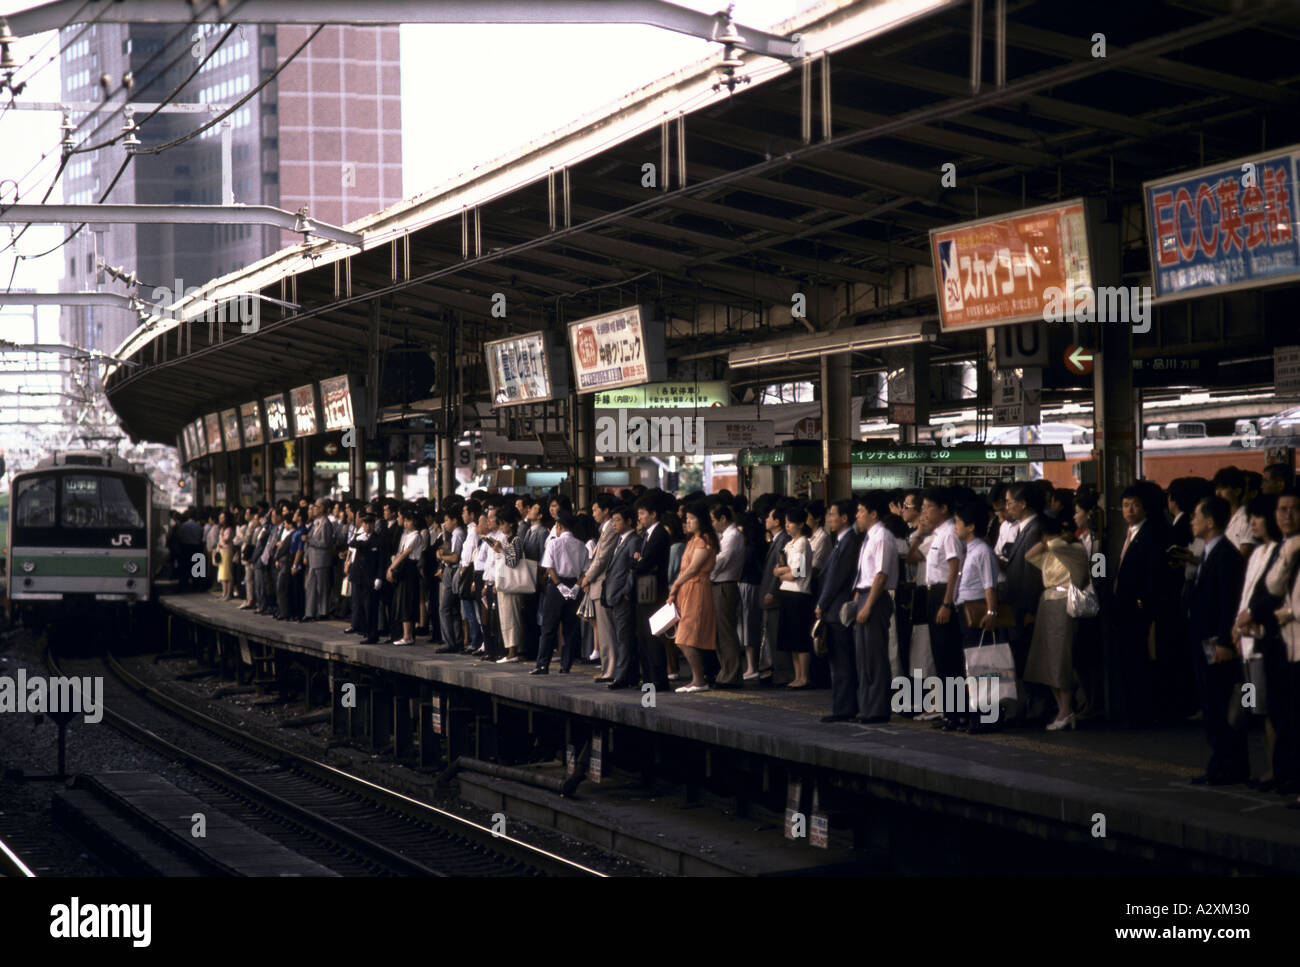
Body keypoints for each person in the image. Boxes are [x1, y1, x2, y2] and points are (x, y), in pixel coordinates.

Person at [1187, 495, 1248, 785]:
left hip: (1216, 642)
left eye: (1196, 516)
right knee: (1212, 703)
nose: (1192, 521)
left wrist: (1224, 641)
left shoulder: (1225, 555)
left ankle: (1229, 766)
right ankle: (1221, 764)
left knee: (1219, 704)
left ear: (1210, 521)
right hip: (1204, 640)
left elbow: (1229, 602)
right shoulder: (1209, 552)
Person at [1024, 514, 1091, 731]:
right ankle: (1064, 709)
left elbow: (1059, 548)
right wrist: (1047, 541)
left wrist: (1054, 538)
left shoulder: (1073, 549)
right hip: (1048, 604)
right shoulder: (1052, 549)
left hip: (1063, 604)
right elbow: (1029, 555)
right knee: (1047, 658)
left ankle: (1066, 710)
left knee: (1060, 657)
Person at [1233, 494, 1282, 787]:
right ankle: (1271, 765)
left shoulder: (1279, 552)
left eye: (1258, 517)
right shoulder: (1259, 553)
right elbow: (1246, 594)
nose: (1253, 522)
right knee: (1257, 709)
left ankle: (1279, 769)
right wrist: (1236, 625)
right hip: (1248, 642)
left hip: (1265, 643)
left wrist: (1250, 617)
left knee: (1269, 709)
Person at [1111, 483, 1166, 728]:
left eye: (1135, 504)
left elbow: (1154, 573)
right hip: (1122, 607)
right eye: (1125, 505)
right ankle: (1131, 710)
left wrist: (1144, 602)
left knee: (1140, 660)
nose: (1129, 509)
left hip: (1138, 608)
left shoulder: (1152, 534)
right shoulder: (1125, 532)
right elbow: (1106, 565)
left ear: (1146, 507)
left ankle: (1142, 713)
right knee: (1128, 659)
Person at [912, 487, 965, 729]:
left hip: (944, 593)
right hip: (933, 593)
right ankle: (949, 711)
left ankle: (957, 713)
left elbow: (955, 568)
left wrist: (947, 602)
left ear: (943, 509)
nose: (924, 512)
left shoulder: (949, 534)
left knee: (950, 657)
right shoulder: (936, 534)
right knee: (940, 657)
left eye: (928, 507)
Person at [815, 498, 863, 722]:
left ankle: (844, 708)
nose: (829, 519)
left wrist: (822, 604)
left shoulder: (849, 542)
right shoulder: (841, 541)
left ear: (845, 518)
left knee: (842, 660)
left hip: (838, 608)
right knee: (838, 660)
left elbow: (835, 579)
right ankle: (841, 706)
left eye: (833, 515)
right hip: (835, 607)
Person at [851, 492, 898, 723]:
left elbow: (880, 575)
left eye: (860, 511)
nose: (857, 516)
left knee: (874, 656)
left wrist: (868, 606)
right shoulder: (869, 537)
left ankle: (877, 709)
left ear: (873, 514)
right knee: (863, 656)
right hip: (865, 595)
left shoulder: (882, 537)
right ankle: (867, 706)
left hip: (875, 598)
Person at [620, 492, 671, 692]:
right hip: (644, 591)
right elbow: (636, 562)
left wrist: (638, 561)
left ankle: (658, 680)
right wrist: (637, 561)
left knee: (652, 636)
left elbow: (644, 563)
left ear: (653, 514)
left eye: (642, 513)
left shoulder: (659, 534)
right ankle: (649, 678)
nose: (639, 517)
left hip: (653, 591)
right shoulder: (647, 535)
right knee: (643, 636)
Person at [667, 502, 718, 693]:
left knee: (686, 636)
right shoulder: (692, 540)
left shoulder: (704, 540)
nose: (687, 522)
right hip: (687, 589)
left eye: (691, 519)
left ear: (701, 520)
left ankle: (699, 679)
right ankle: (696, 679)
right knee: (685, 635)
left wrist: (676, 585)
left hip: (696, 588)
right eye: (686, 519)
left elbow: (694, 568)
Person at [533, 512, 589, 674]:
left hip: (556, 586)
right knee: (570, 628)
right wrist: (576, 587)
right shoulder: (581, 545)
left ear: (559, 527)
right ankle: (566, 665)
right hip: (574, 586)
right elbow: (584, 572)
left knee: (549, 627)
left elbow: (549, 567)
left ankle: (543, 664)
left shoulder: (553, 543)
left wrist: (559, 585)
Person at [773, 505, 815, 689]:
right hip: (787, 593)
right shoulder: (789, 544)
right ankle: (797, 676)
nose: (787, 525)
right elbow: (779, 570)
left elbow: (796, 573)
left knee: (800, 639)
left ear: (800, 524)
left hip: (799, 594)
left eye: (790, 522)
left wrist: (782, 572)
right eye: (786, 522)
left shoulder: (802, 543)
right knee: (790, 639)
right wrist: (784, 571)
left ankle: (804, 676)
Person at [603, 505, 642, 688]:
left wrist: (626, 591)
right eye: (612, 520)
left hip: (622, 596)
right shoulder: (620, 540)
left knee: (624, 637)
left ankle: (623, 676)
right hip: (615, 594)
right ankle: (629, 674)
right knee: (622, 636)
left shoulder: (633, 540)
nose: (614, 524)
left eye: (617, 520)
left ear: (628, 521)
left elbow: (632, 570)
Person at [582, 495, 620, 680]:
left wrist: (588, 577)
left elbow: (602, 558)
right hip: (599, 585)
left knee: (607, 630)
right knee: (604, 630)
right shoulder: (604, 529)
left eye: (596, 509)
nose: (593, 513)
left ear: (606, 511)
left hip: (602, 583)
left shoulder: (610, 529)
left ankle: (611, 669)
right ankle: (607, 668)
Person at [709, 502, 744, 689]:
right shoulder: (724, 536)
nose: (712, 524)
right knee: (720, 633)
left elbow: (720, 561)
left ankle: (731, 675)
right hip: (718, 585)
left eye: (714, 520)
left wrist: (705, 566)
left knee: (726, 632)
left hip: (725, 586)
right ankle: (725, 672)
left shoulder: (733, 536)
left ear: (723, 518)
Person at [487, 509, 528, 663]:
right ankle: (509, 649)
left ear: (511, 524)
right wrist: (499, 581)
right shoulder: (505, 540)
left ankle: (513, 651)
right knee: (505, 617)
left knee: (512, 617)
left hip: (514, 585)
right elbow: (502, 563)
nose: (501, 527)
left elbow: (513, 561)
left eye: (503, 524)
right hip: (505, 584)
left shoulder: (516, 540)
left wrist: (500, 550)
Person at [758, 502, 791, 685]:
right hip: (773, 595)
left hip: (777, 596)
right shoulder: (776, 539)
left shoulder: (783, 540)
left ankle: (783, 674)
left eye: (769, 517)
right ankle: (778, 672)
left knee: (776, 634)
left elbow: (779, 569)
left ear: (777, 521)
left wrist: (771, 591)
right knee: (772, 634)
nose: (765, 520)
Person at [386, 506, 425, 646]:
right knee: (402, 600)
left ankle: (408, 635)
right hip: (404, 568)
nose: (406, 523)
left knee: (407, 600)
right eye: (406, 521)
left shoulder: (415, 535)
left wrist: (392, 567)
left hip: (410, 568)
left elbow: (405, 553)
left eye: (409, 521)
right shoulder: (406, 535)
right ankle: (405, 634)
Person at [737, 511, 766, 681]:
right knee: (750, 625)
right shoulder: (759, 544)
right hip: (753, 585)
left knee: (747, 625)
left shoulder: (749, 548)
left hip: (747, 585)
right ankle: (751, 665)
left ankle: (751, 666)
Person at [346, 514, 383, 644]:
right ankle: (364, 630)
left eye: (370, 523)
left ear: (374, 524)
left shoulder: (378, 539)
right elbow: (351, 544)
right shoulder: (358, 536)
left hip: (370, 577)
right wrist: (360, 538)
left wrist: (379, 577)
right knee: (359, 604)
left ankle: (372, 634)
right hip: (358, 576)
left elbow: (381, 561)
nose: (367, 526)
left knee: (370, 606)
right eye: (365, 523)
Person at [435, 508, 465, 653]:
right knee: (453, 608)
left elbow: (455, 557)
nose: (445, 524)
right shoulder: (454, 534)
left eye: (447, 520)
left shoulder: (458, 533)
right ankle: (457, 640)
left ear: (455, 520)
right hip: (451, 570)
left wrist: (441, 557)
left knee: (444, 608)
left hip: (453, 570)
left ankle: (449, 641)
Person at [303, 499, 336, 622]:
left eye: (317, 507)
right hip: (313, 559)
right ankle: (310, 612)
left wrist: (309, 540)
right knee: (310, 586)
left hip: (322, 559)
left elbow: (325, 543)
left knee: (322, 587)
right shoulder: (315, 523)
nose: (314, 509)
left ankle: (323, 611)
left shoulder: (326, 523)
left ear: (322, 508)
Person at [216, 511, 235, 600]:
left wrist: (221, 535)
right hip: (221, 551)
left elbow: (225, 541)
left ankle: (228, 594)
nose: (221, 519)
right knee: (222, 574)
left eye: (223, 518)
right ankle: (224, 593)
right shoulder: (222, 529)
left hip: (227, 551)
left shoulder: (229, 529)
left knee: (227, 573)